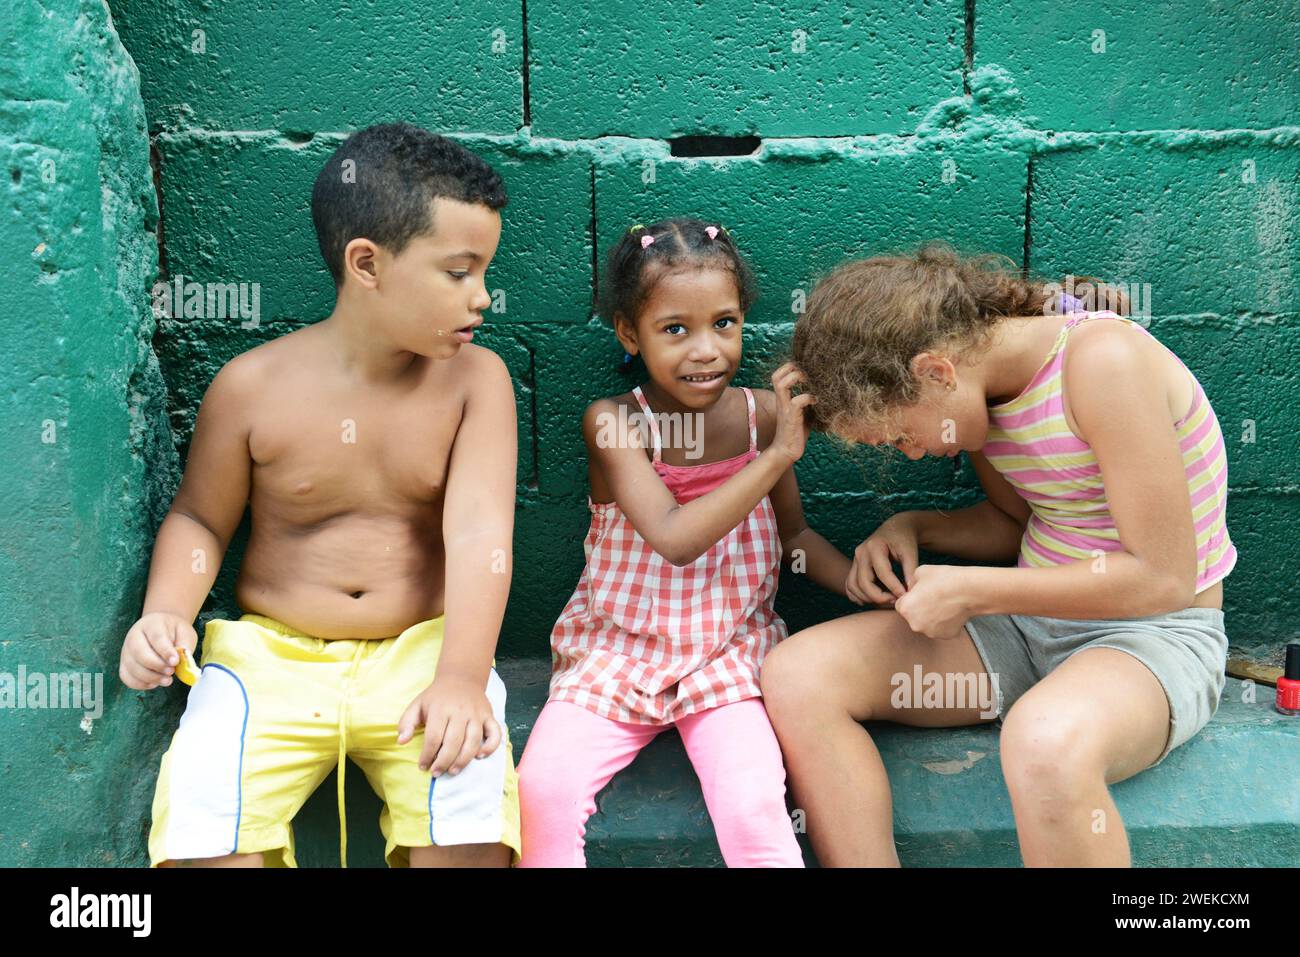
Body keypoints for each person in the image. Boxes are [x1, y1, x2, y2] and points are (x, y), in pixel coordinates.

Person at [121, 123, 522, 868]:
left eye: (484, 273)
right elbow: (201, 518)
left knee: (470, 811)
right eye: (458, 273)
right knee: (203, 816)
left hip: (425, 651)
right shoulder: (251, 387)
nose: (482, 297)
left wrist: (463, 678)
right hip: (271, 657)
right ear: (367, 263)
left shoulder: (477, 383)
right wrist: (167, 611)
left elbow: (479, 536)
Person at [764, 243, 1235, 866]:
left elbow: (1163, 579)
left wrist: (974, 592)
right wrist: (912, 527)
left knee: (1045, 742)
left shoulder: (1105, 362)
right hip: (1024, 631)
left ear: (936, 372)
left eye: (902, 434)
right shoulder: (978, 398)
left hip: (1151, 640)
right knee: (797, 675)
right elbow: (1012, 525)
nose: (912, 452)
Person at [516, 217, 854, 867]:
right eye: (676, 329)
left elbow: (796, 537)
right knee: (540, 793)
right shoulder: (615, 422)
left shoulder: (762, 418)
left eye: (724, 323)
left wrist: (859, 583)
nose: (706, 350)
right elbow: (674, 538)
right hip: (617, 652)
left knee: (753, 804)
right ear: (629, 333)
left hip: (727, 658)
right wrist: (777, 456)